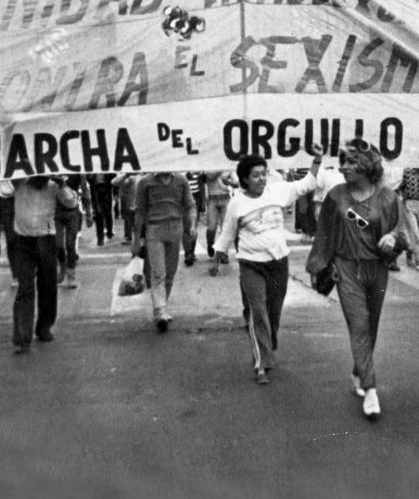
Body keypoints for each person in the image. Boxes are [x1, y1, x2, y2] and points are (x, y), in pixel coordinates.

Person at [306, 139, 404, 422]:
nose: (344, 167)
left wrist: (392, 238)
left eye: (351, 162)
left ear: (367, 165)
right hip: (346, 268)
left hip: (377, 268)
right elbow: (323, 233)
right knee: (359, 324)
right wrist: (317, 265)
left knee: (370, 326)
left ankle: (359, 370)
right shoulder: (336, 196)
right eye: (343, 161)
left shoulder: (387, 197)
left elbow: (401, 233)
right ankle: (370, 389)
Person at [209, 145, 323, 384]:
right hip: (251, 264)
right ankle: (261, 362)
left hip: (278, 263)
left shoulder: (277, 191)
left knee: (274, 311)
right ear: (244, 179)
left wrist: (317, 158)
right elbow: (227, 234)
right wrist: (217, 259)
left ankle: (268, 343)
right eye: (255, 175)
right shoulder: (237, 203)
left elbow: (308, 183)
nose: (261, 179)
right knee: (258, 311)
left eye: (264, 174)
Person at [11, 176, 78, 353]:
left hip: (47, 232)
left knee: (48, 284)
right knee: (25, 286)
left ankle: (44, 326)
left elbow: (72, 203)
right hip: (23, 237)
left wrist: (62, 184)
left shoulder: (54, 186)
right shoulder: (19, 182)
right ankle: (23, 336)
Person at [132, 171, 196, 331]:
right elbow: (140, 211)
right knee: (158, 272)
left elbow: (190, 205)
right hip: (154, 229)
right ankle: (160, 311)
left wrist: (192, 224)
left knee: (170, 272)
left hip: (176, 228)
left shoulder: (181, 180)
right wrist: (136, 239)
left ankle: (162, 306)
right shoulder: (145, 181)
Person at [55, 175, 92, 289]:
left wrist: (89, 213)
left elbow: (85, 190)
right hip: (54, 212)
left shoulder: (78, 170)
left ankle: (71, 273)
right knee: (57, 244)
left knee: (70, 244)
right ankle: (62, 265)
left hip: (72, 212)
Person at [396, 165, 419, 271]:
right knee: (415, 234)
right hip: (409, 203)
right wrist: (402, 198)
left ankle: (410, 250)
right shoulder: (407, 171)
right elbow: (399, 186)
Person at [203, 170, 234, 263]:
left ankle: (224, 253)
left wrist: (230, 182)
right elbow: (210, 175)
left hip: (225, 197)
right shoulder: (210, 166)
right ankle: (210, 243)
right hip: (212, 198)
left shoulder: (227, 167)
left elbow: (236, 180)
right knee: (211, 227)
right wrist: (220, 168)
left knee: (225, 228)